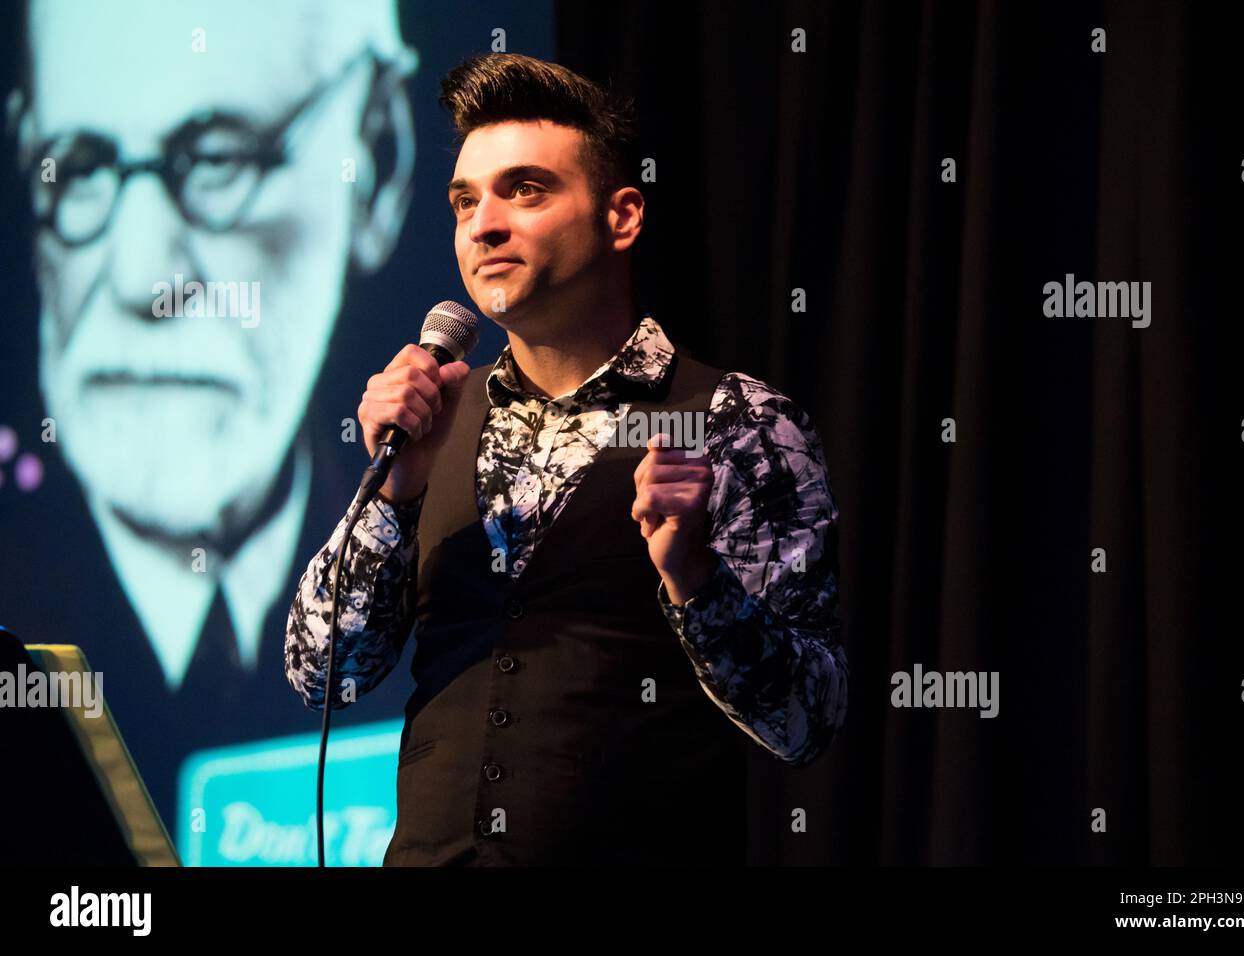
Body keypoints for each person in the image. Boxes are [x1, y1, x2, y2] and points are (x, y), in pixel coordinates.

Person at [285, 52, 849, 866]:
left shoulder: (738, 422)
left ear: (621, 217)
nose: (484, 224)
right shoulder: (435, 420)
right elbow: (321, 672)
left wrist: (696, 578)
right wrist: (394, 496)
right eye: (465, 200)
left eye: (525, 190)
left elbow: (809, 719)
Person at [3, 0, 418, 839]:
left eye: (218, 158)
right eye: (77, 167)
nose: (140, 276)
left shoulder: (459, 556)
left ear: (374, 159)